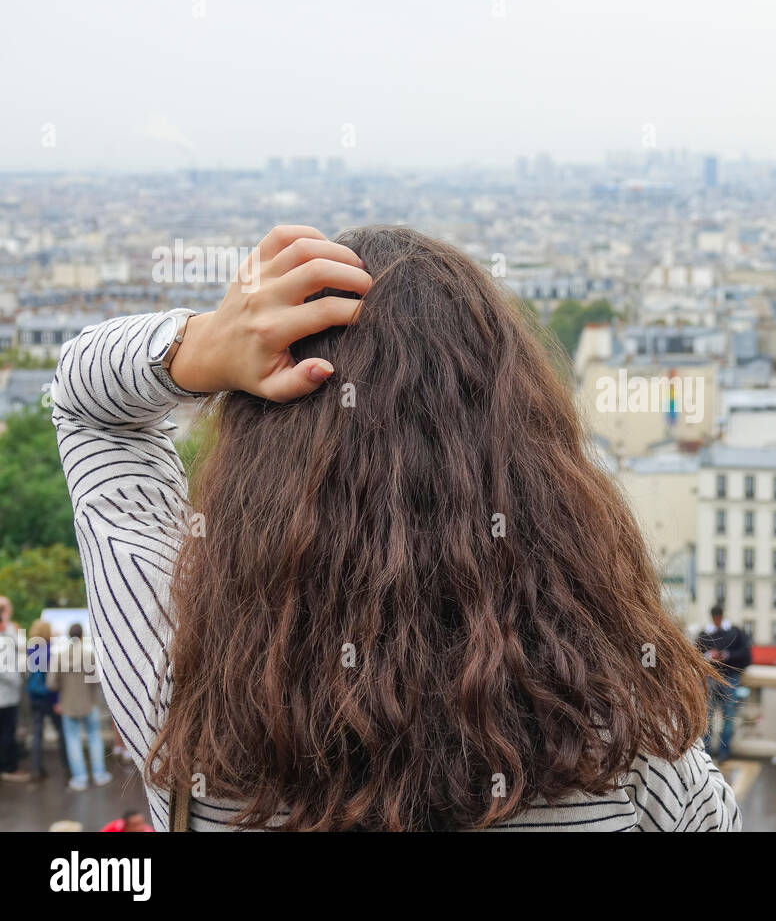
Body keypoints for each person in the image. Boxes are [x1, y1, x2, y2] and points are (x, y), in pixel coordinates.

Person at [50, 225, 738, 831]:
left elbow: (86, 406)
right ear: (537, 472)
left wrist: (206, 343)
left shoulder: (182, 699)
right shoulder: (630, 763)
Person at [47, 623, 112, 791]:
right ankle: (99, 775)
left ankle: (80, 779)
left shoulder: (59, 656)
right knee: (94, 738)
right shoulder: (89, 655)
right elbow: (98, 679)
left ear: (69, 635)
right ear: (82, 635)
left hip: (68, 705)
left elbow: (51, 684)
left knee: (73, 740)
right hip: (89, 703)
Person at [695, 605, 752, 762]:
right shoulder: (704, 634)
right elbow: (695, 655)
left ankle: (723, 751)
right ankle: (706, 753)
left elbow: (746, 655)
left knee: (728, 715)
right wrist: (708, 656)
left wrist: (726, 655)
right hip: (711, 680)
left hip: (728, 679)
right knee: (708, 717)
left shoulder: (734, 632)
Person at [25, 619, 69, 781]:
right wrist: (56, 700)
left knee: (37, 734)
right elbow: (52, 679)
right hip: (48, 697)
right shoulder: (49, 650)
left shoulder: (31, 648)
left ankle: (36, 768)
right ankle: (67, 765)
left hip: (34, 696)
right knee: (61, 731)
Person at [0, 596, 27, 782]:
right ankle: (8, 768)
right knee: (6, 733)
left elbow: (20, 644)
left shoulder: (8, 632)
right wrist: (18, 681)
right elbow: (5, 670)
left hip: (8, 696)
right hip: (5, 697)